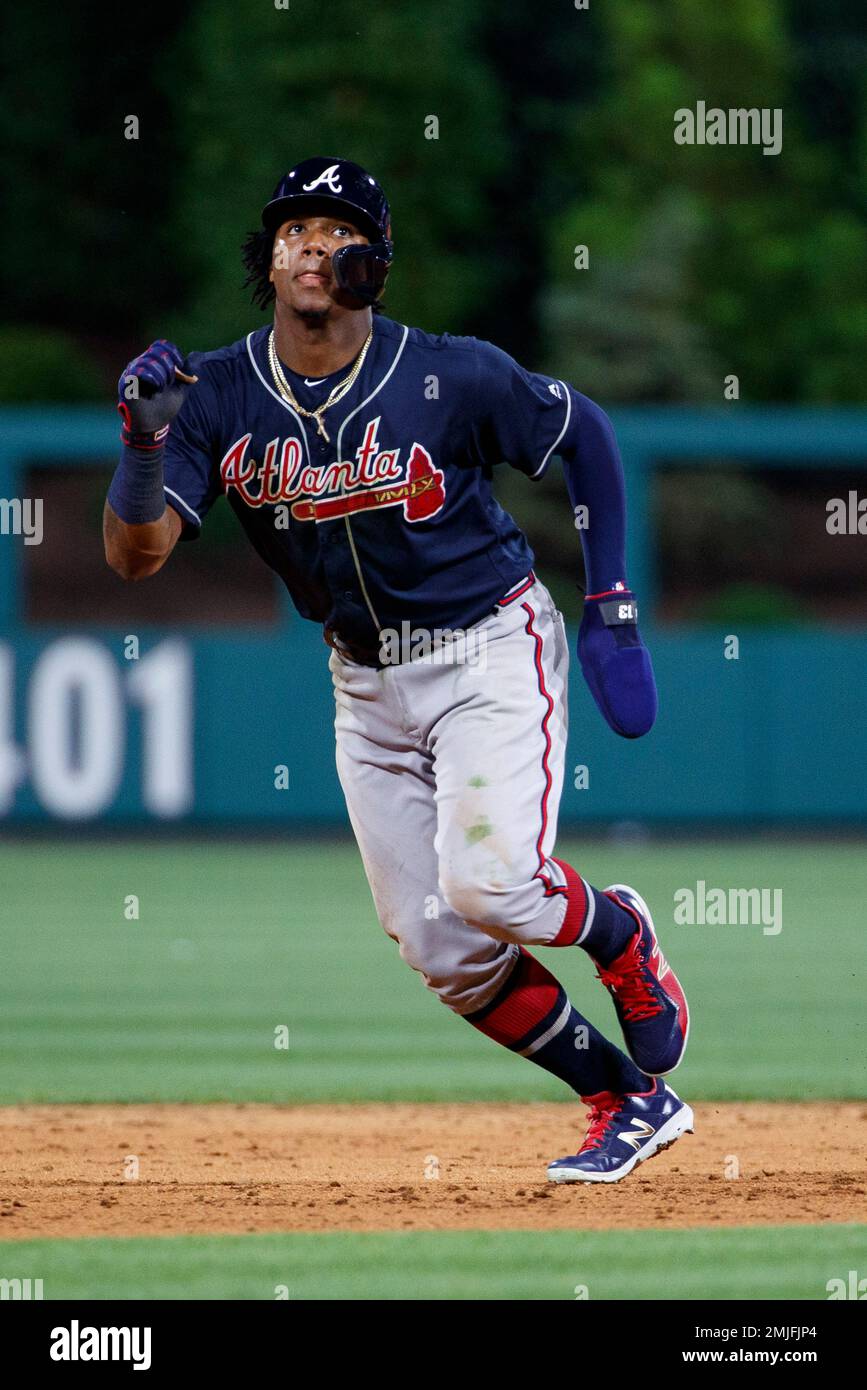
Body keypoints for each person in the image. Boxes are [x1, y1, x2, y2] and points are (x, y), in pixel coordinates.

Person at [104, 155, 692, 1183]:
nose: (312, 245)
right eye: (294, 227)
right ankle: (629, 1100)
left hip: (485, 651)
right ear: (268, 254)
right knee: (442, 943)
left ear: (375, 261)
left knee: (490, 882)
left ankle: (619, 932)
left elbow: (584, 433)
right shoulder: (216, 393)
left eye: (337, 229)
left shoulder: (449, 373)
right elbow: (135, 557)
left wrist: (609, 605)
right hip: (364, 685)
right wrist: (145, 450)